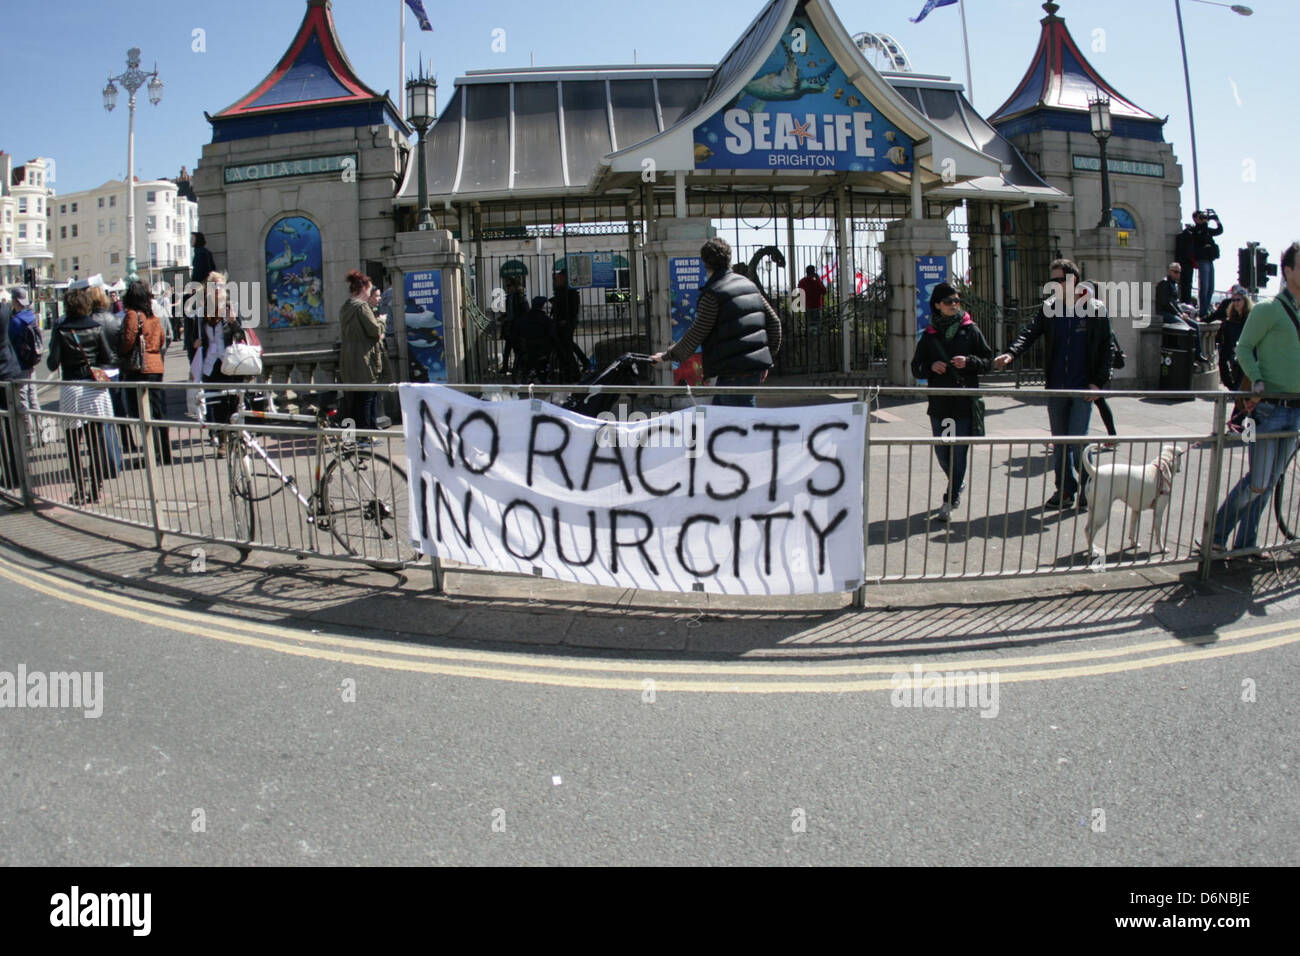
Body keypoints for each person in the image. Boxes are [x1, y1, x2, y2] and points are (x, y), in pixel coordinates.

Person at [993, 259, 1113, 510]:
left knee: (1077, 441)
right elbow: (1029, 332)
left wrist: (1097, 383)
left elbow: (1105, 349)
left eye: (1060, 280)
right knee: (1060, 441)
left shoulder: (1094, 308)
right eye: (1053, 281)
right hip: (1057, 386)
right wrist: (1011, 353)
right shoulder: (1050, 308)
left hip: (1082, 388)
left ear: (1073, 280)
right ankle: (1065, 491)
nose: (1056, 285)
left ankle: (1089, 488)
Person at [1210, 242, 1300, 560]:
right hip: (1268, 409)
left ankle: (1246, 543)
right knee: (1259, 481)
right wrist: (1257, 378)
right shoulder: (1268, 310)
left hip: (1296, 411)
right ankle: (1215, 535)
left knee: (1271, 480)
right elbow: (1244, 348)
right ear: (1287, 270)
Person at [651, 237, 783, 408]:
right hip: (748, 372)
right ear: (729, 258)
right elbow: (775, 324)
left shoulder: (713, 294)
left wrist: (665, 356)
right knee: (720, 421)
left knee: (738, 428)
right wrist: (765, 360)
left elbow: (697, 333)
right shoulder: (749, 285)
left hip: (733, 374)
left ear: (705, 262)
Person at [909, 283, 992, 521]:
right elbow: (916, 367)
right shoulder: (930, 334)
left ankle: (951, 496)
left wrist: (969, 361)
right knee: (944, 451)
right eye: (948, 301)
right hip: (941, 403)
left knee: (958, 451)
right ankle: (958, 482)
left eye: (957, 300)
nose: (954, 305)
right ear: (937, 305)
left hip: (964, 401)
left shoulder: (970, 329)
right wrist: (930, 367)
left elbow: (988, 360)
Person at [47, 287, 116, 503]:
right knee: (95, 441)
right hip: (93, 390)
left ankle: (79, 489)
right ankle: (96, 487)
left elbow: (52, 363)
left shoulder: (62, 329)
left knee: (73, 443)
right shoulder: (95, 327)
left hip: (72, 389)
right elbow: (108, 357)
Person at [190, 272, 246, 456]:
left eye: (221, 287)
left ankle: (235, 439)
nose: (218, 291)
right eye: (214, 287)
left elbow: (241, 336)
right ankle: (222, 441)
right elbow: (192, 338)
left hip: (229, 363)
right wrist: (196, 343)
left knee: (232, 403)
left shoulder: (232, 308)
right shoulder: (201, 313)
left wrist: (233, 322)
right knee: (216, 403)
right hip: (210, 364)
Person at [120, 280, 171, 465]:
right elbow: (163, 339)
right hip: (156, 366)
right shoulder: (153, 316)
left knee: (143, 415)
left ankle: (152, 455)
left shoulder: (133, 315)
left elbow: (127, 341)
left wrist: (122, 353)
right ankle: (164, 454)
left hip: (140, 369)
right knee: (159, 413)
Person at [338, 269, 384, 433]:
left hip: (348, 359)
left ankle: (355, 436)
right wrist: (381, 321)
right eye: (370, 289)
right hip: (364, 359)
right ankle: (365, 435)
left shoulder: (346, 306)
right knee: (366, 398)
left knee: (354, 400)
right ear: (363, 289)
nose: (371, 292)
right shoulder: (362, 307)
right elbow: (374, 330)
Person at [7, 286, 44, 450]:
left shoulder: (15, 321)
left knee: (23, 401)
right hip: (31, 362)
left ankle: (29, 439)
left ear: (15, 301)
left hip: (20, 363)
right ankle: (42, 434)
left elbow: (9, 340)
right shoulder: (31, 317)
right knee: (33, 397)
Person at [1155, 261, 1208, 363]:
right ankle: (1189, 356)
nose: (1178, 274)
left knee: (1195, 325)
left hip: (1173, 313)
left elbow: (1175, 303)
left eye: (1179, 272)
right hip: (1164, 313)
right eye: (1175, 272)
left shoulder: (1173, 284)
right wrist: (1179, 314)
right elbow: (1166, 303)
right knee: (1185, 327)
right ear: (1170, 271)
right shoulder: (1164, 283)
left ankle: (1197, 354)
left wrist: (1182, 313)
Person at [549, 270, 588, 381]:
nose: (556, 281)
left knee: (567, 347)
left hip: (566, 323)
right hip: (559, 322)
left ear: (564, 278)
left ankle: (574, 371)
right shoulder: (559, 291)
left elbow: (572, 309)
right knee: (568, 345)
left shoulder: (570, 292)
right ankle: (579, 366)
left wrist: (566, 320)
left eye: (558, 278)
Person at [512, 297, 559, 383]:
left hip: (526, 348)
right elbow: (552, 335)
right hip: (543, 349)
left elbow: (516, 334)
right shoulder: (546, 320)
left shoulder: (523, 319)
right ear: (542, 306)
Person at [187, 232, 216, 363]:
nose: (190, 241)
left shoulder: (199, 254)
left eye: (192, 239)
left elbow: (197, 274)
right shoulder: (207, 252)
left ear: (197, 240)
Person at [1191, 210, 1224, 318]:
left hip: (1209, 260)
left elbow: (1219, 231)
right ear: (1195, 219)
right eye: (1201, 217)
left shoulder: (1206, 230)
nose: (1204, 219)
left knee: (1211, 287)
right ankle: (1203, 312)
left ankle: (1206, 309)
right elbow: (1202, 238)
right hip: (1202, 260)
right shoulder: (1195, 230)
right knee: (1204, 286)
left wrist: (1216, 220)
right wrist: (1205, 223)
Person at [500, 278, 528, 376]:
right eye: (507, 286)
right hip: (511, 327)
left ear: (515, 286)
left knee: (518, 349)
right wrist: (504, 317)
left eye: (509, 286)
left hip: (517, 327)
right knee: (507, 349)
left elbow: (524, 311)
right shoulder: (509, 298)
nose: (508, 288)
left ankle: (519, 367)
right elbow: (509, 312)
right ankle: (505, 368)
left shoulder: (520, 297)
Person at [797, 265, 827, 334]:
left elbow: (800, 293)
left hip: (806, 306)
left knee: (808, 325)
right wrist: (818, 279)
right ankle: (816, 340)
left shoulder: (802, 282)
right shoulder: (816, 282)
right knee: (816, 326)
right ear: (814, 272)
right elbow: (824, 291)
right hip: (816, 306)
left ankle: (808, 339)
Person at [1174, 222, 1197, 304]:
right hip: (1188, 264)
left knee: (1182, 286)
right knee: (1187, 286)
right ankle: (1186, 302)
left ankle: (1183, 302)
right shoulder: (1191, 236)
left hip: (1180, 264)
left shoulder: (1179, 236)